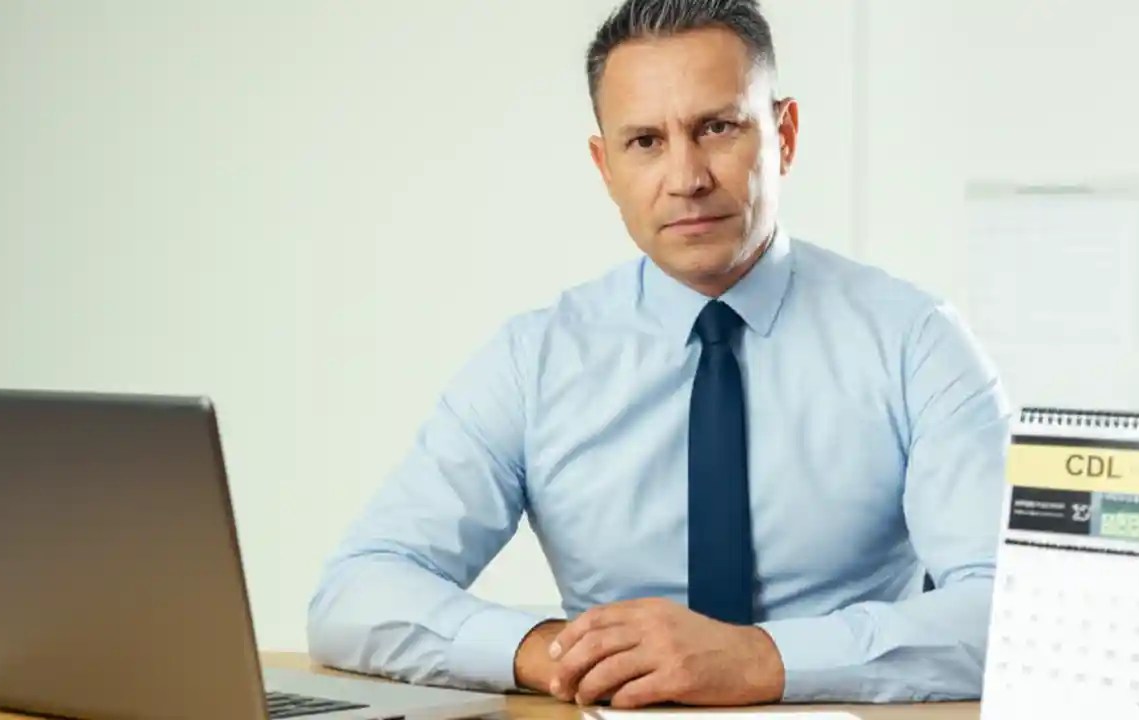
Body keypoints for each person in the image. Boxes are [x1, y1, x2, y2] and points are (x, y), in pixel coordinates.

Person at [308, 0, 1009, 708]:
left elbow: (1009, 613)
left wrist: (764, 658)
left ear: (785, 135)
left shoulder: (914, 341)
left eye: (718, 127)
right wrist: (557, 652)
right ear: (605, 166)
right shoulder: (535, 360)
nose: (686, 177)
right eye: (645, 141)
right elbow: (357, 593)